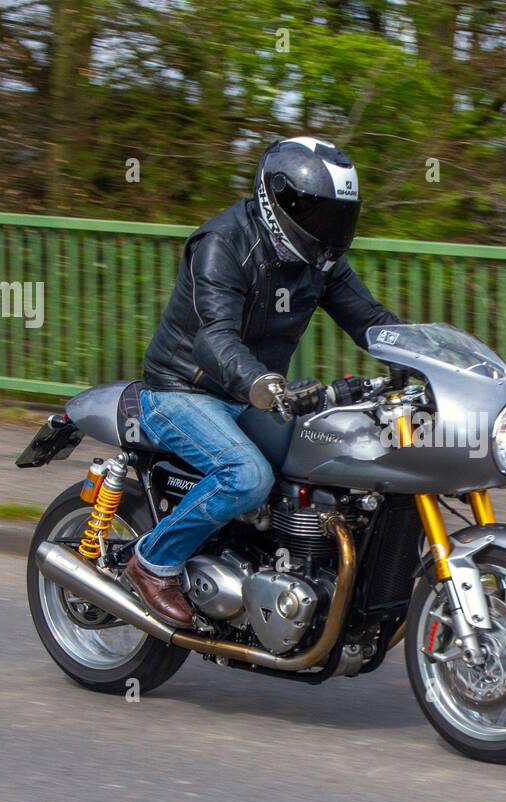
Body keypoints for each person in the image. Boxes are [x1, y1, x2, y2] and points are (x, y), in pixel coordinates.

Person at [125, 136, 399, 626]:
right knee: (247, 477)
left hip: (255, 393)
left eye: (339, 215)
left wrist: (422, 358)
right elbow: (216, 338)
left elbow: (370, 320)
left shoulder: (321, 263)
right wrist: (267, 384)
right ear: (278, 201)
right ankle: (153, 563)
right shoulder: (222, 245)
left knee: (350, 458)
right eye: (316, 213)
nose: (329, 228)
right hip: (183, 390)